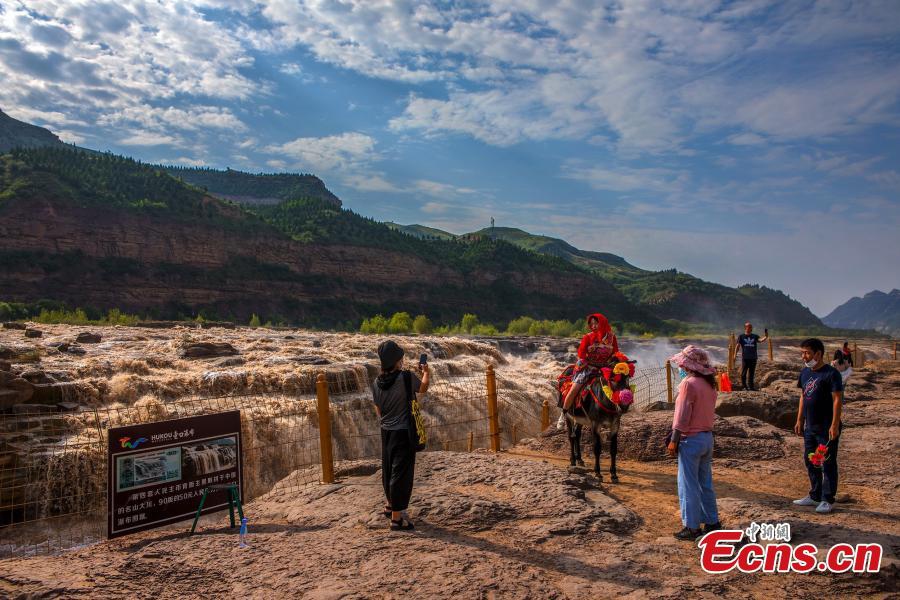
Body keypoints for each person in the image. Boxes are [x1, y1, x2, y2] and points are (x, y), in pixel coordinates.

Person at [372, 340, 430, 531]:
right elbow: (422, 388)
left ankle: (390, 505)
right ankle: (397, 519)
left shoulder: (376, 383)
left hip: (386, 431)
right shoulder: (405, 377)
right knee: (401, 474)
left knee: (388, 468)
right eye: (401, 358)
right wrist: (426, 372)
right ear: (397, 361)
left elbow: (379, 410)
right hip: (404, 432)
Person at [666, 345, 721, 541]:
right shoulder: (709, 384)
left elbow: (682, 416)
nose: (681, 367)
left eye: (682, 364)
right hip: (707, 438)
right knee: (705, 483)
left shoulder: (688, 384)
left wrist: (674, 440)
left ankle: (692, 527)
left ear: (689, 365)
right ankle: (712, 522)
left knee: (688, 485)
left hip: (690, 440)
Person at [793, 338, 843, 514]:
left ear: (818, 353)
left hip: (825, 428)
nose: (804, 357)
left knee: (826, 462)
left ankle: (827, 499)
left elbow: (837, 399)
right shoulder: (805, 372)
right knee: (811, 460)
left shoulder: (831, 373)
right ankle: (815, 495)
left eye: (807, 353)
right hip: (810, 427)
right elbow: (803, 395)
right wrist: (800, 419)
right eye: (802, 353)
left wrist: (834, 425)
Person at [561, 313, 618, 412]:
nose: (593, 326)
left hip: (605, 367)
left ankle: (620, 408)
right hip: (588, 367)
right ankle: (564, 413)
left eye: (596, 323)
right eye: (591, 324)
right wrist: (589, 349)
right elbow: (581, 354)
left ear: (603, 323)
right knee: (575, 388)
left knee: (620, 384)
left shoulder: (612, 337)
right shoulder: (588, 337)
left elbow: (616, 353)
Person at [736, 322, 768, 391]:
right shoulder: (741, 336)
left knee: (751, 373)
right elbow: (737, 346)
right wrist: (734, 355)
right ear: (745, 328)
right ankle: (744, 387)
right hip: (745, 357)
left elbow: (760, 340)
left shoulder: (755, 336)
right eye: (749, 327)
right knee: (744, 373)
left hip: (753, 357)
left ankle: (751, 387)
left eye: (751, 327)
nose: (750, 328)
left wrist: (766, 336)